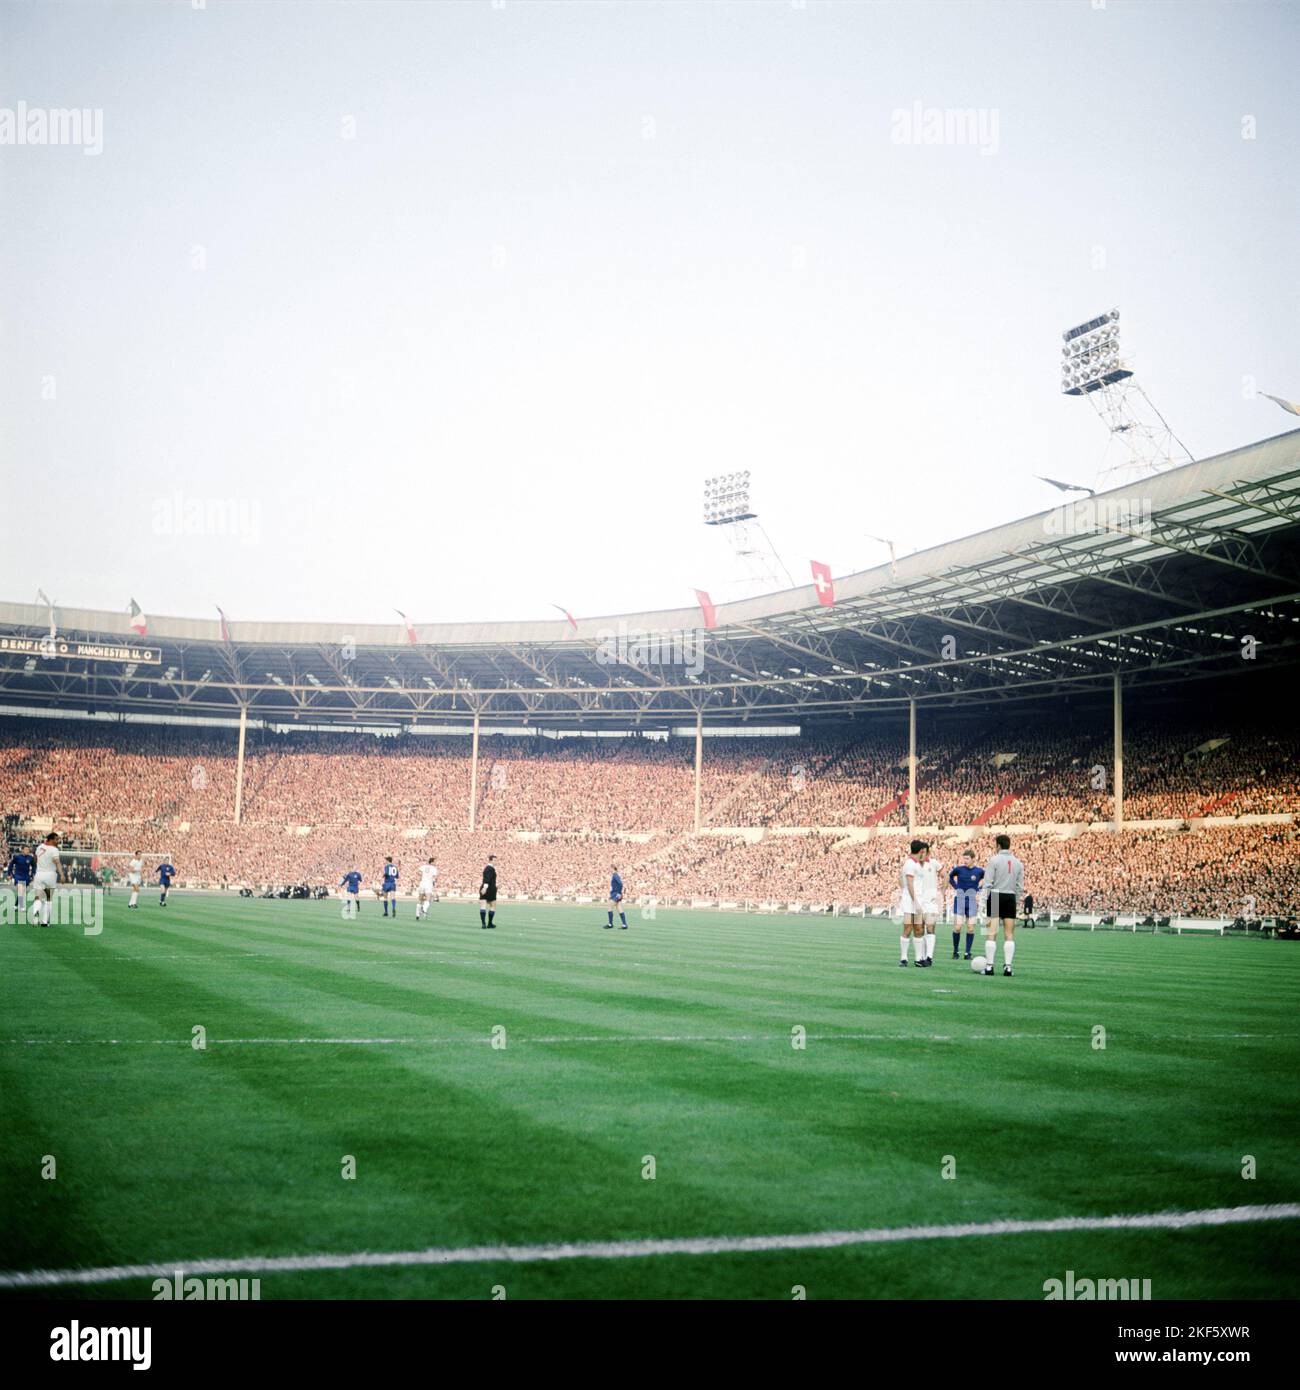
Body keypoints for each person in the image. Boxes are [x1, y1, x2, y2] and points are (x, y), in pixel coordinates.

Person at [981, 833, 1024, 976]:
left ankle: (989, 967)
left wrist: (983, 902)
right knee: (1009, 934)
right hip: (1010, 897)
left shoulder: (994, 860)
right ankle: (1008, 967)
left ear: (998, 845)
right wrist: (1014, 900)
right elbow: (1020, 887)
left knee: (991, 933)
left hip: (995, 896)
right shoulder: (1018, 862)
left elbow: (988, 883)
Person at [948, 849, 984, 959]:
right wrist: (956, 887)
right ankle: (955, 951)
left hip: (972, 901)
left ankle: (967, 953)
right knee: (958, 927)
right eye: (964, 858)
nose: (965, 860)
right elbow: (950, 877)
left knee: (970, 928)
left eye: (967, 858)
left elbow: (987, 879)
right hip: (960, 900)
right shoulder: (959, 869)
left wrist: (979, 889)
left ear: (973, 859)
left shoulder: (979, 871)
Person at [898, 839, 929, 967]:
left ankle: (918, 959)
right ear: (921, 851)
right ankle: (904, 958)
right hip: (911, 901)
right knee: (908, 928)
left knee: (918, 928)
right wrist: (915, 901)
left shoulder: (915, 864)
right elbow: (909, 883)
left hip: (917, 899)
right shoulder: (910, 863)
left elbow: (901, 879)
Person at [31, 832, 64, 927]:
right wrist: (62, 875)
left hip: (39, 874)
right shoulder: (54, 850)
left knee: (38, 897)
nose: (58, 841)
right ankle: (45, 922)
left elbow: (35, 859)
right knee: (48, 899)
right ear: (51, 839)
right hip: (50, 875)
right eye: (56, 839)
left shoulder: (40, 847)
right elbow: (57, 862)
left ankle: (36, 915)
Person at [919, 842, 942, 964]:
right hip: (918, 902)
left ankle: (929, 957)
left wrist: (941, 892)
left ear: (928, 852)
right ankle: (921, 957)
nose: (922, 853)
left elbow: (946, 876)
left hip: (931, 903)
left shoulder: (934, 863)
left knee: (930, 927)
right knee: (920, 929)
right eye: (920, 851)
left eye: (924, 851)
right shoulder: (914, 865)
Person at [7, 844, 35, 918]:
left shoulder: (30, 858)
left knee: (22, 892)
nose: (27, 851)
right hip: (18, 876)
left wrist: (32, 874)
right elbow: (11, 864)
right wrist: (10, 873)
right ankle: (21, 907)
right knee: (20, 891)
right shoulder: (17, 857)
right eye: (26, 849)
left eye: (28, 850)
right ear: (22, 850)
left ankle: (16, 906)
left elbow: (34, 866)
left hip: (26, 877)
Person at [605, 864, 628, 930]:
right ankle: (624, 925)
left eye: (609, 868)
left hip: (615, 894)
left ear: (612, 868)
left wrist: (619, 893)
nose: (609, 870)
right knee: (619, 908)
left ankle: (610, 924)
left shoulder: (615, 875)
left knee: (609, 906)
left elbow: (620, 884)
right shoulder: (615, 875)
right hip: (616, 893)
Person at [479, 854, 498, 929]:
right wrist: (485, 887)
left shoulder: (487, 868)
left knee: (483, 905)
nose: (496, 862)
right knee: (492, 906)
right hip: (490, 889)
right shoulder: (490, 868)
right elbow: (487, 879)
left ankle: (483, 924)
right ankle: (489, 923)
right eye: (495, 860)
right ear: (491, 860)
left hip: (485, 887)